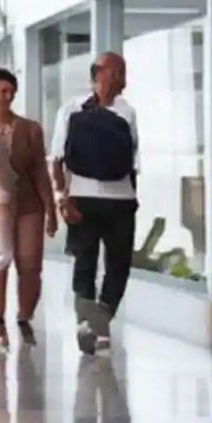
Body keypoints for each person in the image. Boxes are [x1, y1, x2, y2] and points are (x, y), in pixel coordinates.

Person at [50, 51, 138, 355]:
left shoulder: (128, 112)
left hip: (121, 199)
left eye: (123, 72)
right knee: (84, 262)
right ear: (97, 74)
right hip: (83, 198)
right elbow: (57, 160)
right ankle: (86, 322)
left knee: (119, 264)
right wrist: (63, 198)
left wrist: (134, 199)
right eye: (116, 72)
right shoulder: (70, 111)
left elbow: (133, 161)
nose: (121, 78)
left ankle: (100, 321)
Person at [0, 68, 57, 348]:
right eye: (2, 91)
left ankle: (24, 316)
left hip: (29, 206)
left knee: (30, 264)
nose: (8, 96)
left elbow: (40, 173)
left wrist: (51, 210)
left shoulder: (30, 129)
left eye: (11, 91)